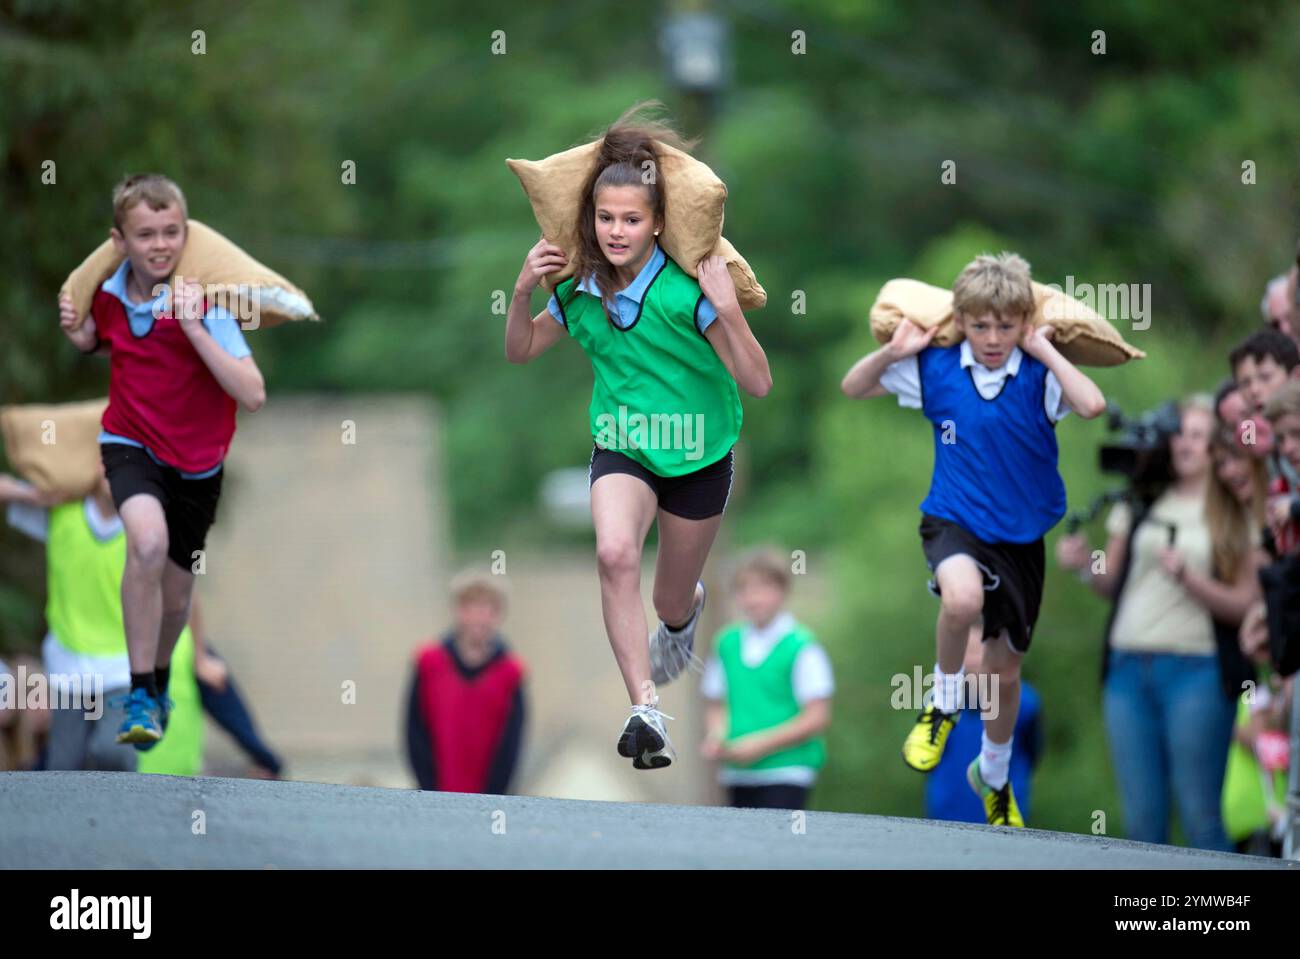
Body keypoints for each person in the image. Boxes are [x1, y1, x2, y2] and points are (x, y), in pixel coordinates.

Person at [504, 103, 772, 769]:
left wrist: (732, 310)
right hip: (623, 447)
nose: (617, 230)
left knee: (668, 597)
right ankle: (646, 706)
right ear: (589, 221)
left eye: (632, 219)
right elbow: (521, 351)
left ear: (657, 225)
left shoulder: (687, 294)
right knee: (615, 554)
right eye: (606, 218)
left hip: (699, 455)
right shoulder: (578, 289)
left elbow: (758, 381)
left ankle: (682, 620)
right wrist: (519, 294)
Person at [842, 251, 1105, 827]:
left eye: (1005, 326)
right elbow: (853, 387)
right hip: (953, 519)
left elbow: (1092, 404)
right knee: (961, 600)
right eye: (980, 325)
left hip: (1021, 535)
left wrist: (1045, 349)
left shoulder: (1037, 375)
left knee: (1004, 673)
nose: (992, 338)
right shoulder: (936, 368)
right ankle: (940, 702)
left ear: (1022, 323)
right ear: (961, 321)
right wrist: (894, 351)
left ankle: (993, 770)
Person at [58, 173, 266, 748]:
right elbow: (108, 338)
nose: (160, 245)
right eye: (145, 234)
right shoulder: (108, 297)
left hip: (198, 467)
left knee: (176, 597)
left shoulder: (210, 301)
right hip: (130, 444)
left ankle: (160, 678)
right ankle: (140, 691)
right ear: (119, 240)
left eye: (171, 231)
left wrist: (195, 326)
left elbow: (252, 393)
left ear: (186, 232)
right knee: (145, 544)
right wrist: (82, 338)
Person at [1057, 398, 1261, 851]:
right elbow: (1110, 576)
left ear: (1214, 444)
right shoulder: (1141, 497)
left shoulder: (1233, 509)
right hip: (1127, 671)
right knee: (1142, 819)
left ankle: (1219, 917)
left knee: (1201, 814)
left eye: (1195, 434)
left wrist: (1190, 580)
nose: (1184, 444)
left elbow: (1247, 602)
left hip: (1197, 672)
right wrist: (1083, 564)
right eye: (1177, 434)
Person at [699, 548, 832, 810]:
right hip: (737, 772)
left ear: (783, 590)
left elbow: (817, 716)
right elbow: (717, 703)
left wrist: (759, 745)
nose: (754, 598)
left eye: (763, 588)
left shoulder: (801, 646)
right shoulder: (726, 643)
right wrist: (717, 736)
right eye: (745, 590)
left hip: (787, 771)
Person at [404, 572, 526, 794]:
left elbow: (511, 744)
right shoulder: (429, 663)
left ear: (499, 615)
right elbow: (415, 732)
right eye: (471, 607)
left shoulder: (511, 673)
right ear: (457, 610)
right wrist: (429, 789)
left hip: (488, 799)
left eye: (488, 609)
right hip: (434, 794)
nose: (479, 617)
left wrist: (492, 797)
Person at [925, 629, 1042, 825]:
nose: (972, 659)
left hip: (1004, 816)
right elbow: (930, 755)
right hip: (946, 815)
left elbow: (1032, 751)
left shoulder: (1026, 702)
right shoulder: (938, 700)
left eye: (979, 650)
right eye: (966, 651)